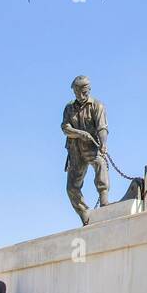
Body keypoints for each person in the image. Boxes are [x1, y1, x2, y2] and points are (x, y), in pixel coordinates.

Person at [62, 75, 109, 225]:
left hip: (92, 147)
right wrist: (80, 133)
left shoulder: (97, 105)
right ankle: (85, 216)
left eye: (84, 91)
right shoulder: (69, 108)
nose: (81, 95)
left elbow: (102, 127)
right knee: (71, 187)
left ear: (89, 89)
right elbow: (65, 128)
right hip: (75, 151)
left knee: (100, 164)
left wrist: (103, 143)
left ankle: (104, 201)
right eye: (78, 92)